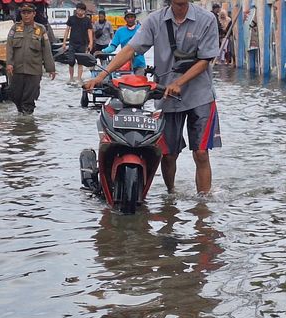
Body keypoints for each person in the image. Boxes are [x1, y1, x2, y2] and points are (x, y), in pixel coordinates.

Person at [83, 0, 222, 195]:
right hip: (166, 95)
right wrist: (101, 76)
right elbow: (130, 49)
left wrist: (179, 83)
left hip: (200, 95)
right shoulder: (155, 20)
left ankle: (203, 204)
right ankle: (171, 196)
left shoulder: (206, 19)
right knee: (168, 154)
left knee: (201, 153)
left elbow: (205, 60)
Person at [6, 3, 57, 115]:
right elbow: (9, 47)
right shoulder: (15, 28)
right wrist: (9, 63)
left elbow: (46, 50)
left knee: (29, 100)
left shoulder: (41, 29)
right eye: (24, 13)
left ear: (34, 14)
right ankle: (21, 118)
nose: (26, 15)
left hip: (33, 71)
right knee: (15, 96)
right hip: (16, 70)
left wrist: (51, 68)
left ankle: (27, 121)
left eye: (29, 13)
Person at [101, 9, 145, 75]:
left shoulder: (141, 29)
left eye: (132, 17)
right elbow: (113, 46)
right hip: (125, 64)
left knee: (140, 80)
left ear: (135, 18)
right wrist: (103, 51)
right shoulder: (120, 31)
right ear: (125, 19)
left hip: (139, 64)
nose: (130, 19)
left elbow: (145, 44)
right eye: (128, 17)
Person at [61, 2, 93, 83]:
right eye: (78, 10)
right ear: (76, 10)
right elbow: (67, 30)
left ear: (84, 11)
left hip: (83, 44)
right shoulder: (71, 18)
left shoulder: (87, 20)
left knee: (80, 62)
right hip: (72, 43)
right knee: (71, 61)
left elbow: (90, 31)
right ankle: (71, 78)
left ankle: (79, 78)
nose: (80, 12)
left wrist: (91, 43)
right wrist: (64, 42)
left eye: (82, 10)